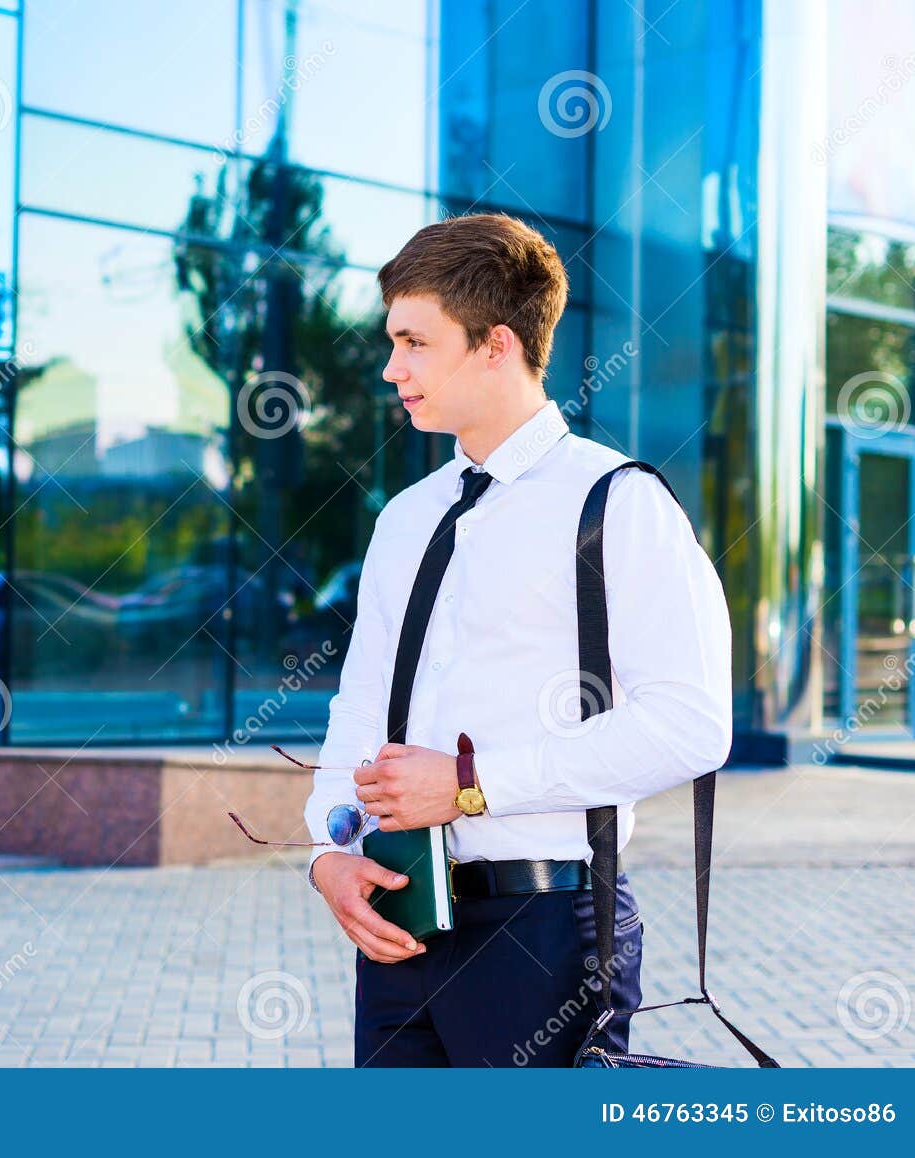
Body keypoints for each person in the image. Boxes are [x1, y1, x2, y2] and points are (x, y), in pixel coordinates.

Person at [303, 213, 732, 1067]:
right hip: (403, 917)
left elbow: (691, 723)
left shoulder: (616, 503)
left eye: (414, 342)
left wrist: (467, 787)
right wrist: (329, 852)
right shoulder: (406, 517)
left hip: (546, 937)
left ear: (496, 345)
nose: (392, 368)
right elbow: (361, 707)